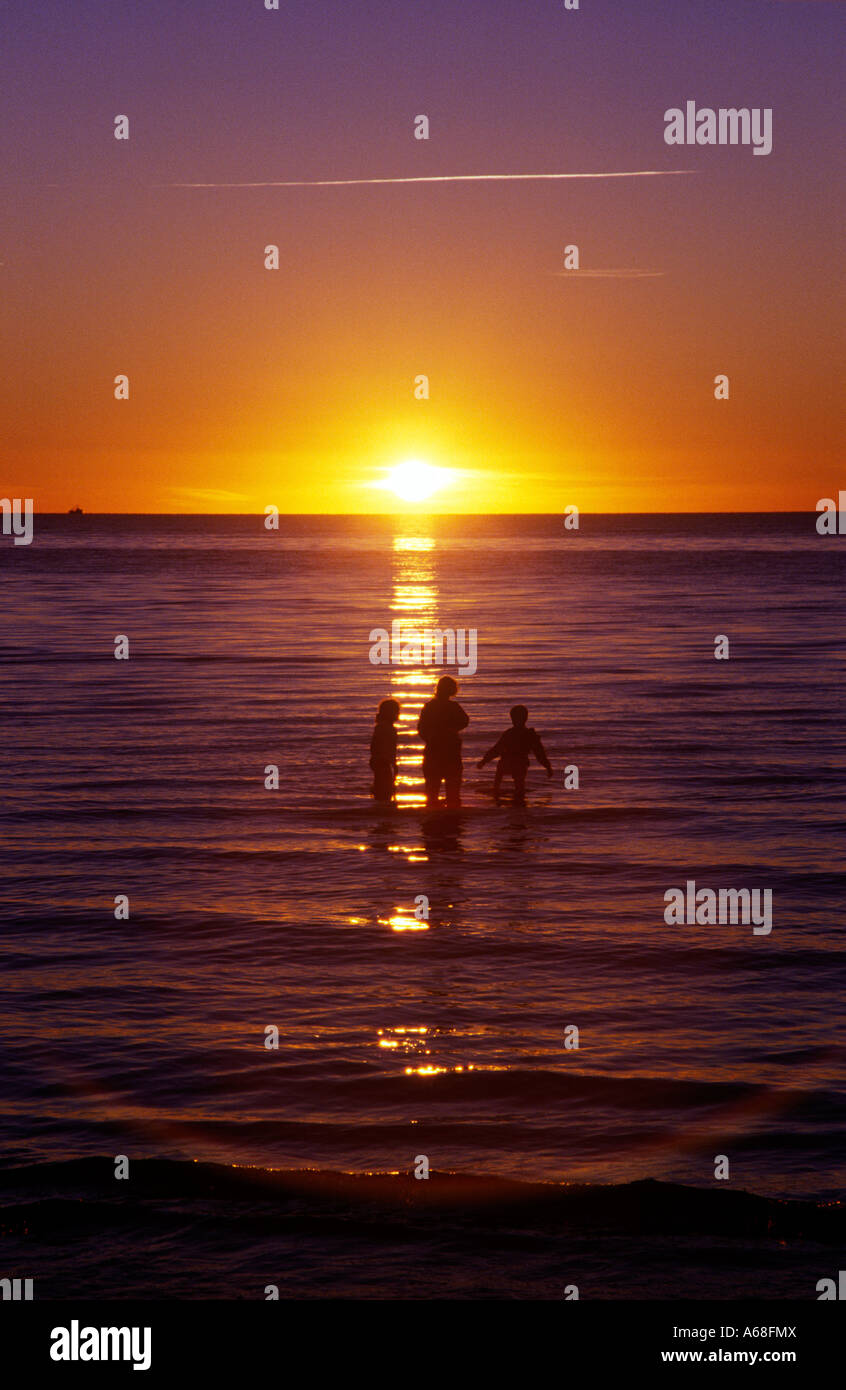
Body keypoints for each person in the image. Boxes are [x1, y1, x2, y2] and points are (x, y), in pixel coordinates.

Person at [477, 705, 552, 805]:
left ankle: (497, 798)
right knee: (519, 784)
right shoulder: (530, 734)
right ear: (526, 718)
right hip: (520, 763)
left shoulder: (510, 733)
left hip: (507, 762)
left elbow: (496, 750)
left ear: (512, 719)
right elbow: (539, 753)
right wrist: (547, 767)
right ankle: (518, 801)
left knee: (499, 778)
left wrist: (484, 761)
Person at [417, 676, 469, 810]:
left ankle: (432, 821)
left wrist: (431, 737)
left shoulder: (429, 706)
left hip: (433, 751)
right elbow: (465, 721)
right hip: (450, 752)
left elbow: (421, 729)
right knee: (453, 792)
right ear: (452, 690)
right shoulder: (453, 707)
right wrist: (451, 730)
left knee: (432, 791)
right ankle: (452, 821)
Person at [370, 698, 400, 802]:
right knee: (385, 791)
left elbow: (374, 746)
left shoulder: (380, 727)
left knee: (383, 791)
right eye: (397, 711)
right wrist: (393, 764)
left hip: (381, 763)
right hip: (384, 763)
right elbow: (387, 748)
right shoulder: (387, 728)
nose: (398, 714)